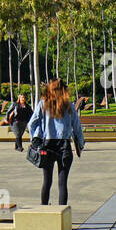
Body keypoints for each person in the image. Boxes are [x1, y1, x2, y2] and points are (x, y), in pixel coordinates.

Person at [28, 78, 85, 206]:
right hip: (64, 146)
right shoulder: (69, 105)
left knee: (47, 181)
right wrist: (80, 144)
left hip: (47, 146)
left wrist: (35, 138)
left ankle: (44, 210)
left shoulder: (43, 104)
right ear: (64, 89)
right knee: (63, 183)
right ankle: (62, 212)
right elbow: (77, 126)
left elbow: (32, 123)